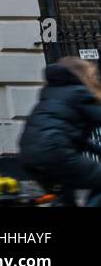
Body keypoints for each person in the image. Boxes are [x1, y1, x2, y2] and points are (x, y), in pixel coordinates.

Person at [18, 56, 101, 206]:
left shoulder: (50, 92)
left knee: (65, 196)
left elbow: (71, 135)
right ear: (82, 74)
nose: (95, 79)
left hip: (30, 156)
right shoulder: (79, 93)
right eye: (92, 75)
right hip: (55, 154)